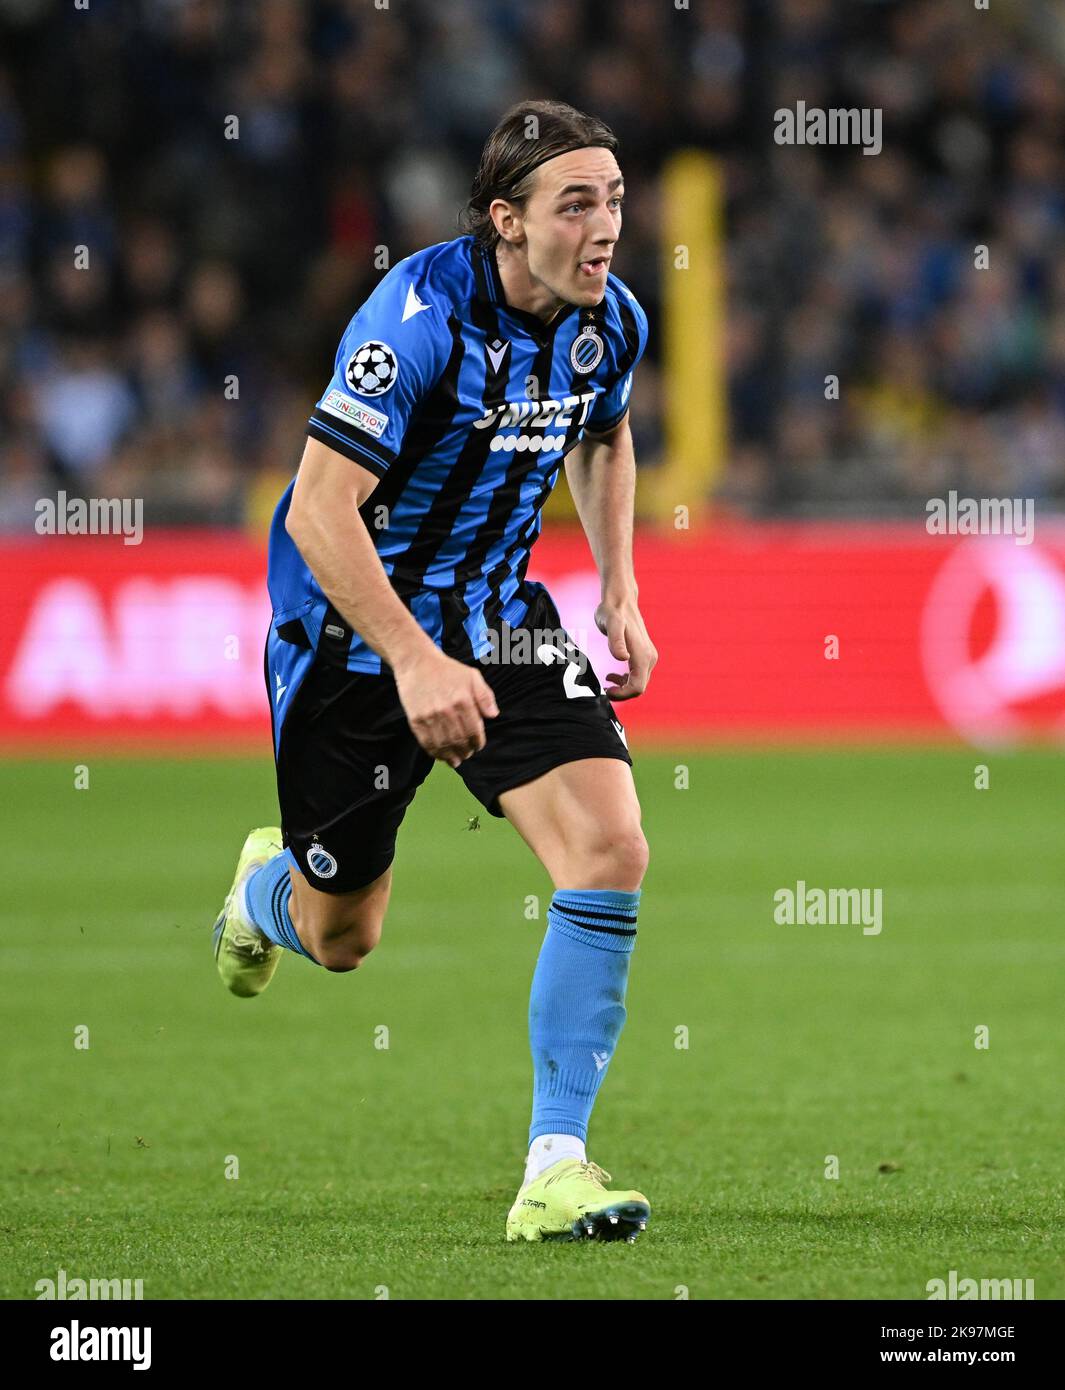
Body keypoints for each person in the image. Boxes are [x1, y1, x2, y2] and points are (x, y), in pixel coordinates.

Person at [211, 99, 657, 1243]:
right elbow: (319, 507)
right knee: (341, 938)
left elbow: (605, 434)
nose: (605, 224)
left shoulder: (609, 322)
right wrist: (412, 659)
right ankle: (269, 891)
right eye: (576, 204)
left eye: (612, 198)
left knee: (609, 845)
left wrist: (618, 586)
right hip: (356, 649)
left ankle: (555, 1166)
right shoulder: (414, 324)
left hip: (501, 620)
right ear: (506, 220)